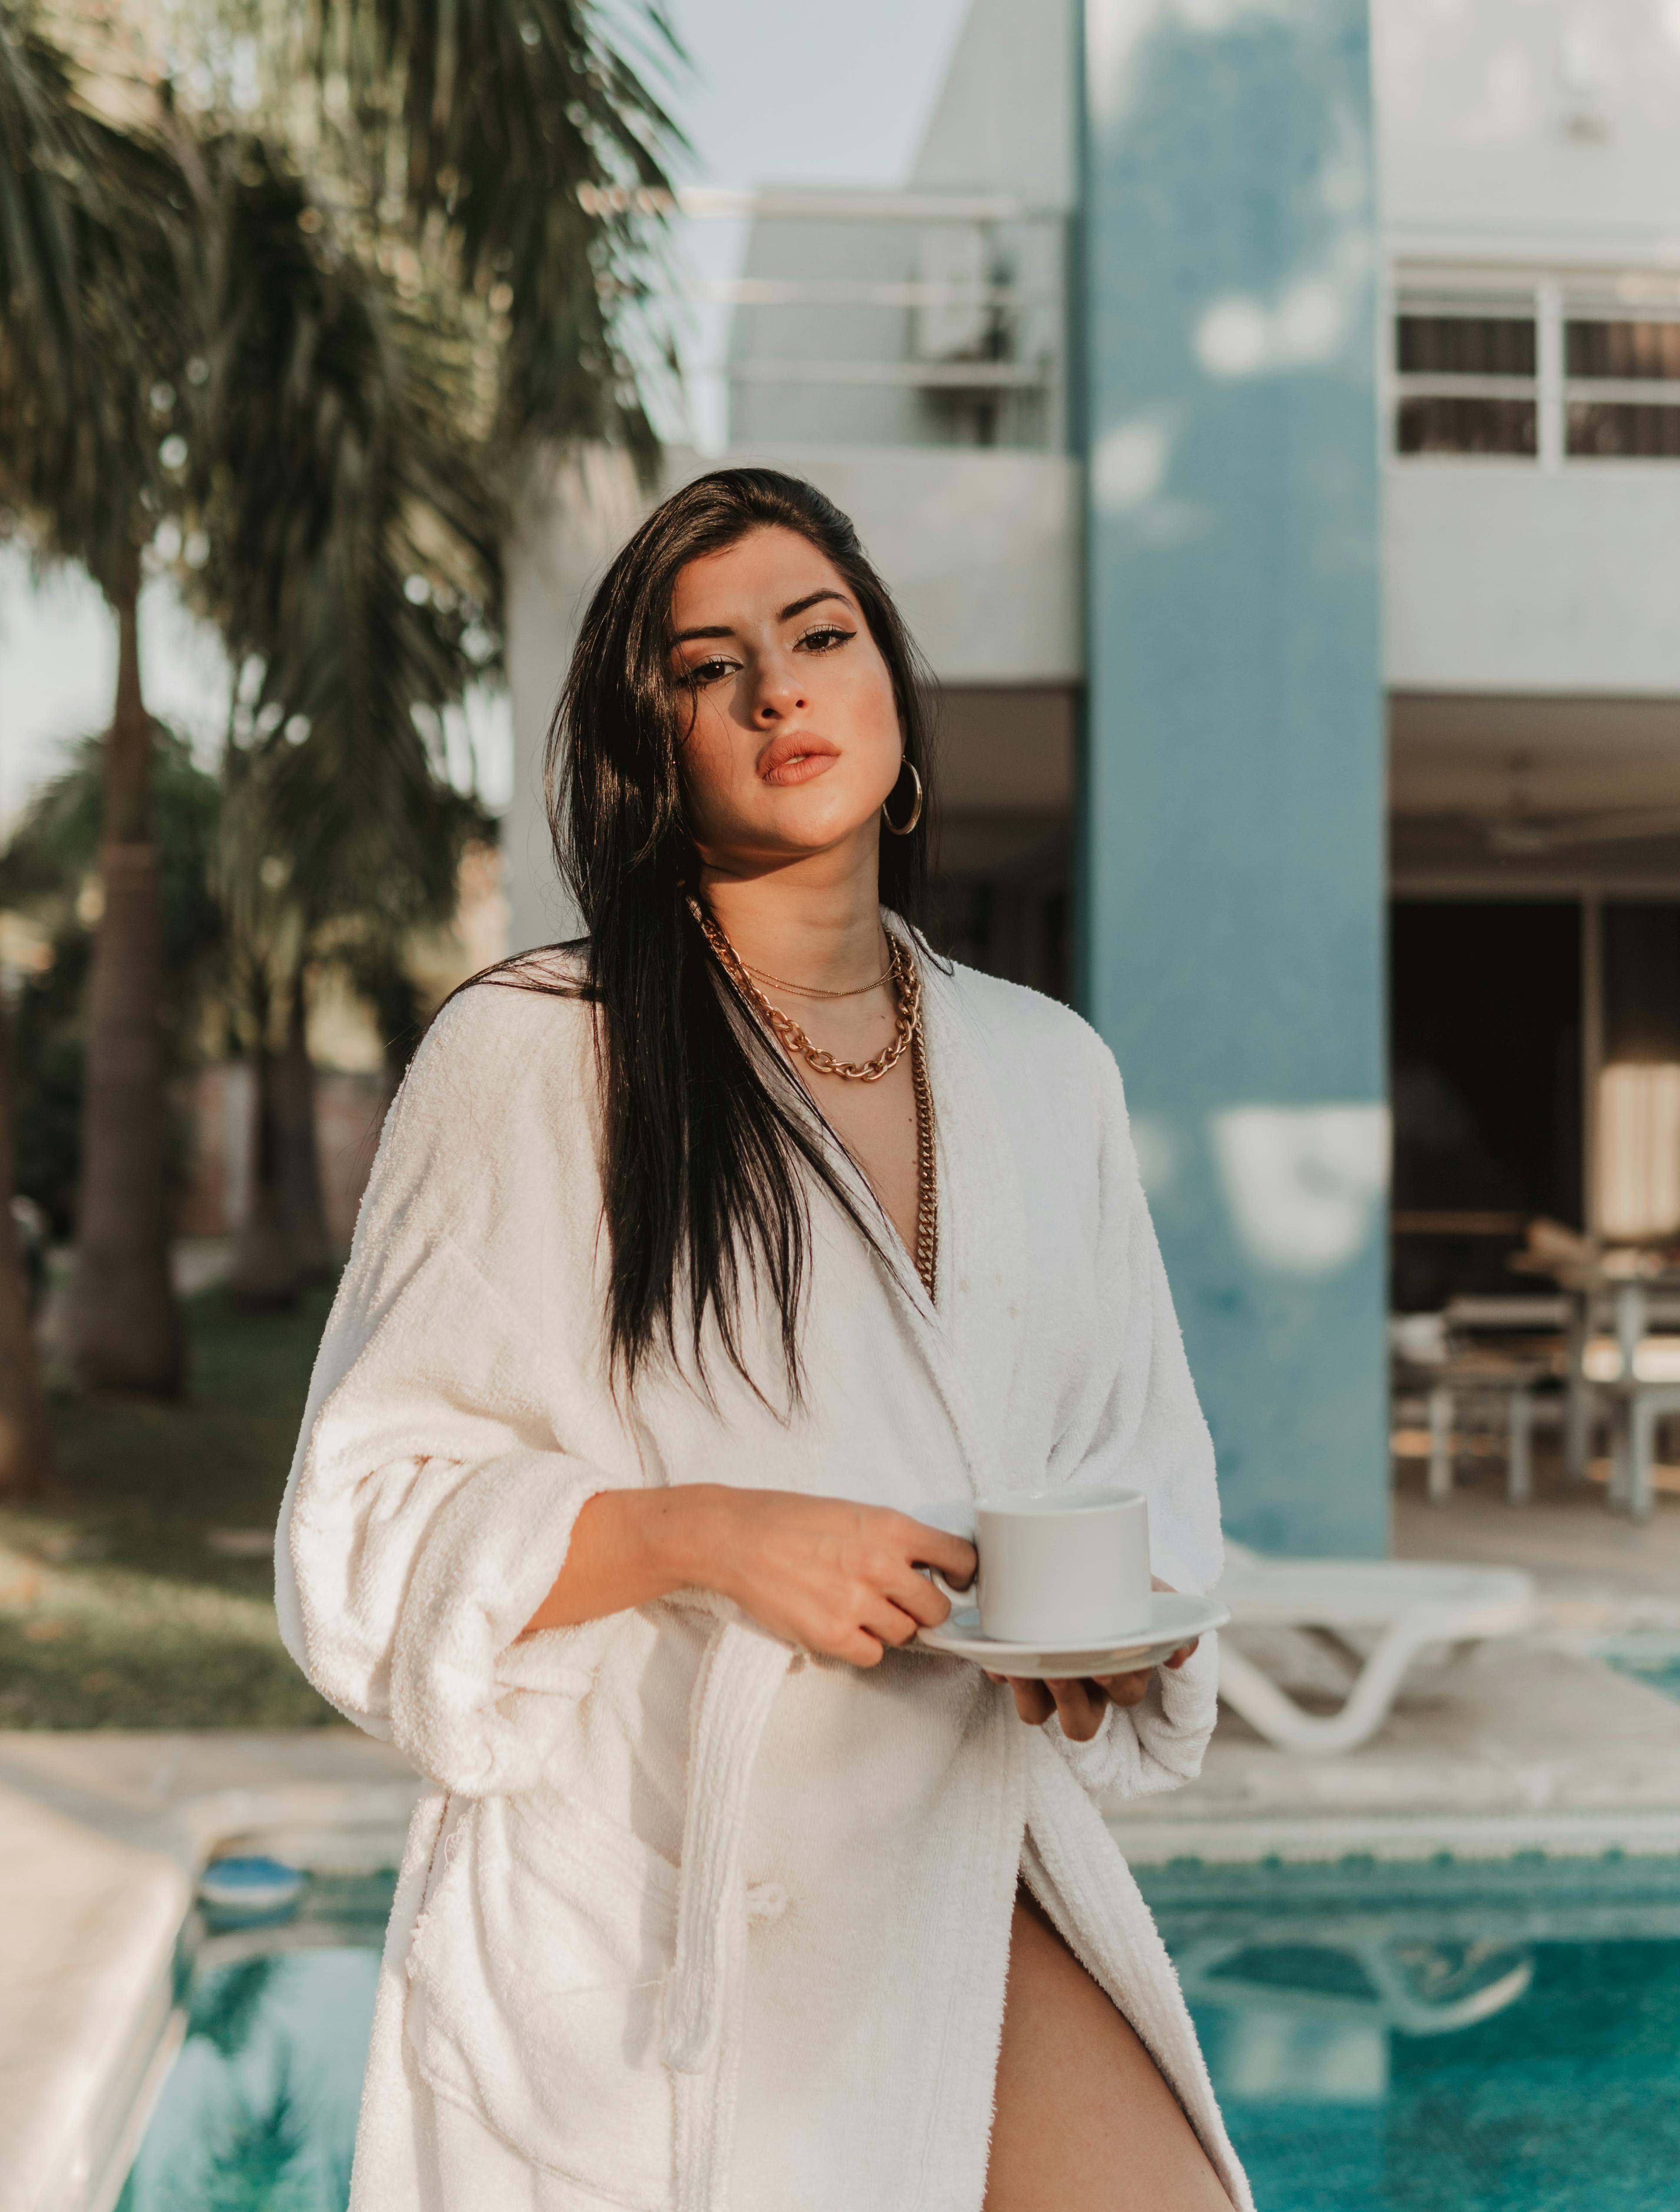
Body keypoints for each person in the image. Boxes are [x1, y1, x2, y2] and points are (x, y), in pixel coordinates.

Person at [276, 468, 1249, 2212]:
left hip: (962, 1840)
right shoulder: (537, 1053)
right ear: (652, 761)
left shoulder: (1047, 1071)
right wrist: (714, 1532)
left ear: (893, 697)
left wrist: (1109, 1638)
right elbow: (363, 1522)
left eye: (819, 634)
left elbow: (1136, 1466)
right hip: (649, 1894)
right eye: (707, 667)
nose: (779, 690)